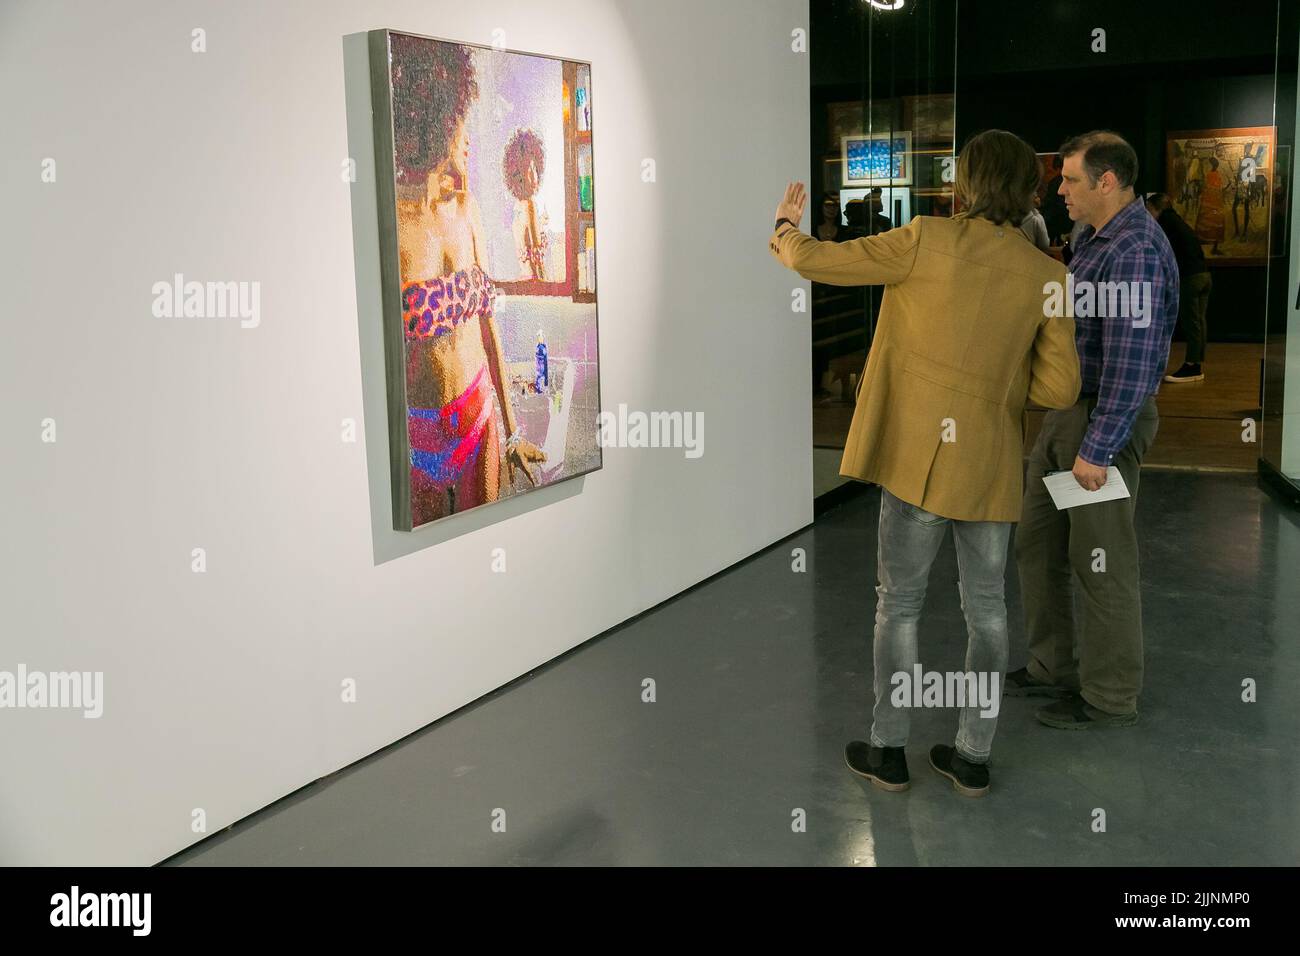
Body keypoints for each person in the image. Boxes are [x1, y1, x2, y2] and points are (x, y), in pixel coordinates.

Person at [768, 130, 1081, 797]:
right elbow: (1059, 389)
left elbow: (821, 261)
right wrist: (995, 389)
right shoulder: (1049, 276)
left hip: (916, 458)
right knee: (989, 610)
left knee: (900, 605)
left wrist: (785, 228)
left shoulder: (925, 239)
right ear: (1029, 190)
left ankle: (887, 749)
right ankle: (972, 755)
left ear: (964, 184)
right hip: (989, 463)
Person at [1010, 131, 1179, 729]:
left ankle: (1109, 695)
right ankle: (1049, 664)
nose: (1059, 190)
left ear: (1107, 182)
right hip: (1067, 412)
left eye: (1070, 180)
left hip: (1102, 418)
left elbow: (1132, 363)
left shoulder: (1133, 248)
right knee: (1038, 541)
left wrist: (1097, 448)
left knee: (1100, 559)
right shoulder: (1090, 236)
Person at [391, 37, 547, 526]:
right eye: (460, 123)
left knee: (488, 543)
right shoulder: (394, 220)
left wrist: (514, 428)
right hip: (418, 440)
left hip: (479, 418)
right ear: (434, 117)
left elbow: (488, 333)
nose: (467, 136)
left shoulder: (469, 212)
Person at [1146, 192, 1211, 383]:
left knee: (1192, 323)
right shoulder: (1179, 222)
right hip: (1204, 275)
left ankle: (1192, 366)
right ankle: (1196, 363)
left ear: (1156, 208)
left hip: (1190, 278)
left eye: (1148, 209)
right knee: (1199, 322)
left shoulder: (1165, 226)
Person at [1194, 155, 1226, 256]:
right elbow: (1216, 188)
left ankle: (1209, 247)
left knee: (1210, 223)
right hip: (1213, 203)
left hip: (1211, 203)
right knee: (1212, 224)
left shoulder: (1211, 175)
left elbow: (1212, 188)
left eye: (1208, 164)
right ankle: (1211, 247)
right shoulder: (1214, 174)